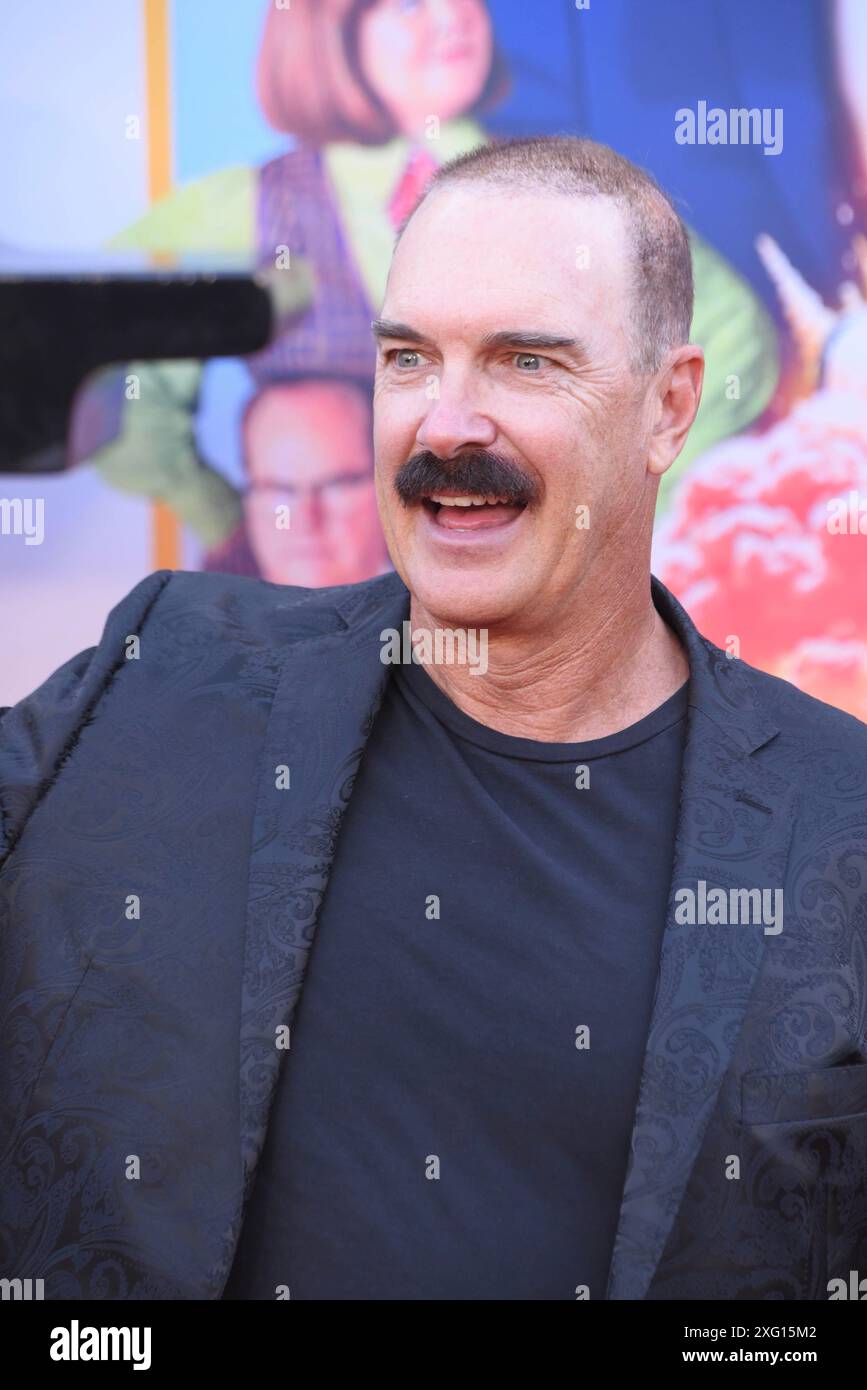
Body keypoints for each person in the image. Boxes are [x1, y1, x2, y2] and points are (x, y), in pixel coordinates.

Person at [2, 135, 865, 1302]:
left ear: (669, 408)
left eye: (523, 362)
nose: (446, 425)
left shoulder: (838, 820)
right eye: (410, 358)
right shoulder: (169, 664)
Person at [88, 0, 778, 551]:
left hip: (510, 616)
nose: (453, 13)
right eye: (410, 3)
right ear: (331, 31)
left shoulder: (561, 187)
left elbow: (730, 339)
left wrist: (621, 525)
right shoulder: (249, 209)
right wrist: (225, 524)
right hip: (326, 620)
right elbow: (97, 352)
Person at [204, 376, 390, 586]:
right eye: (279, 489)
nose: (306, 519)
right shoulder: (205, 611)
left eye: (336, 485)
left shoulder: (423, 609)